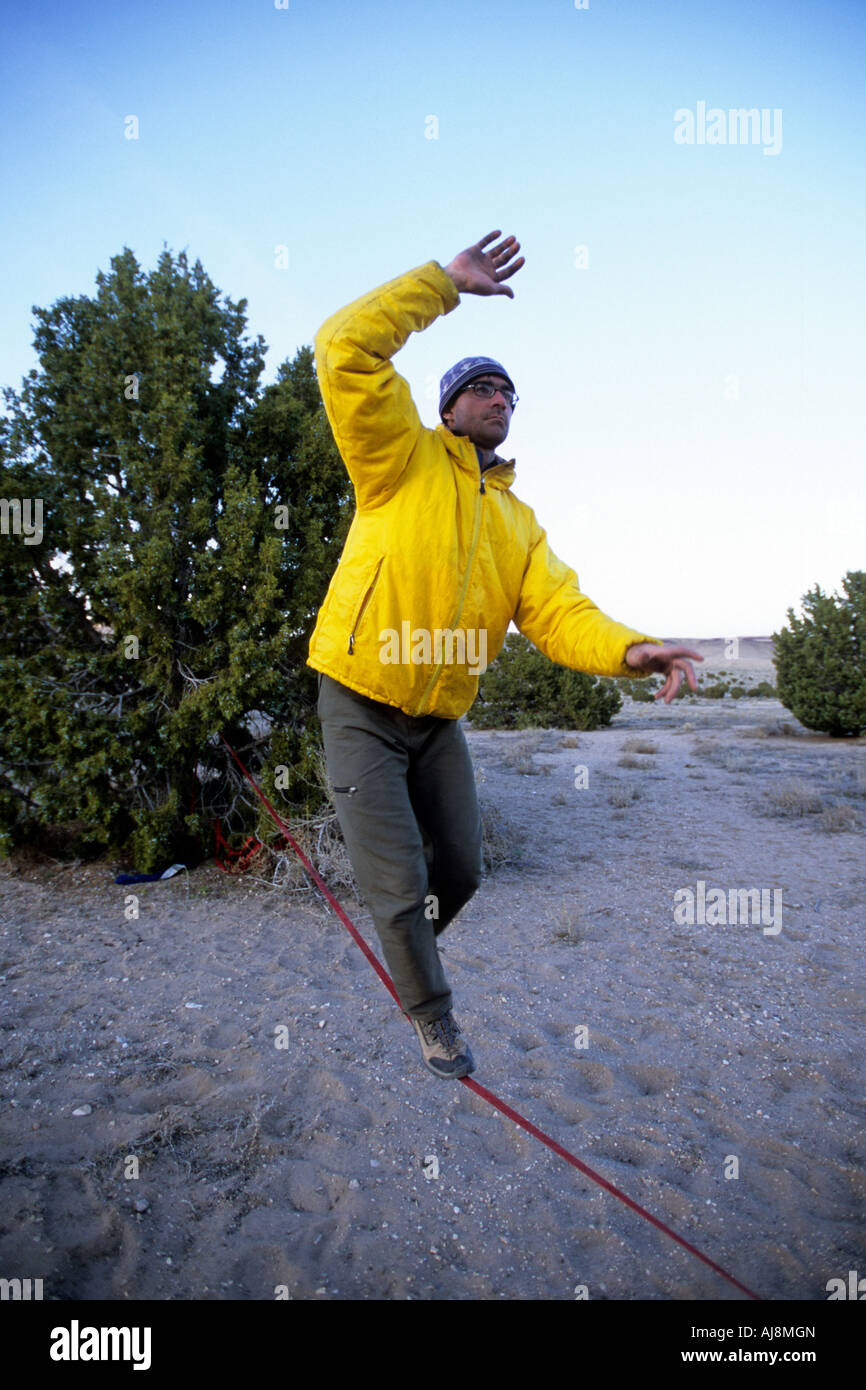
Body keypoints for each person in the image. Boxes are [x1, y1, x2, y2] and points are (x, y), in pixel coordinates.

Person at [307, 230, 701, 1080]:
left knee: (463, 872)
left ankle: (405, 951)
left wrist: (632, 649)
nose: (498, 398)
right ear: (448, 408)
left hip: (437, 721)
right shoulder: (395, 460)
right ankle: (431, 1013)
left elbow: (562, 613)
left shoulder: (518, 523)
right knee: (401, 880)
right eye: (480, 387)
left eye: (508, 392)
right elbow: (343, 346)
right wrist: (441, 285)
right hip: (359, 697)